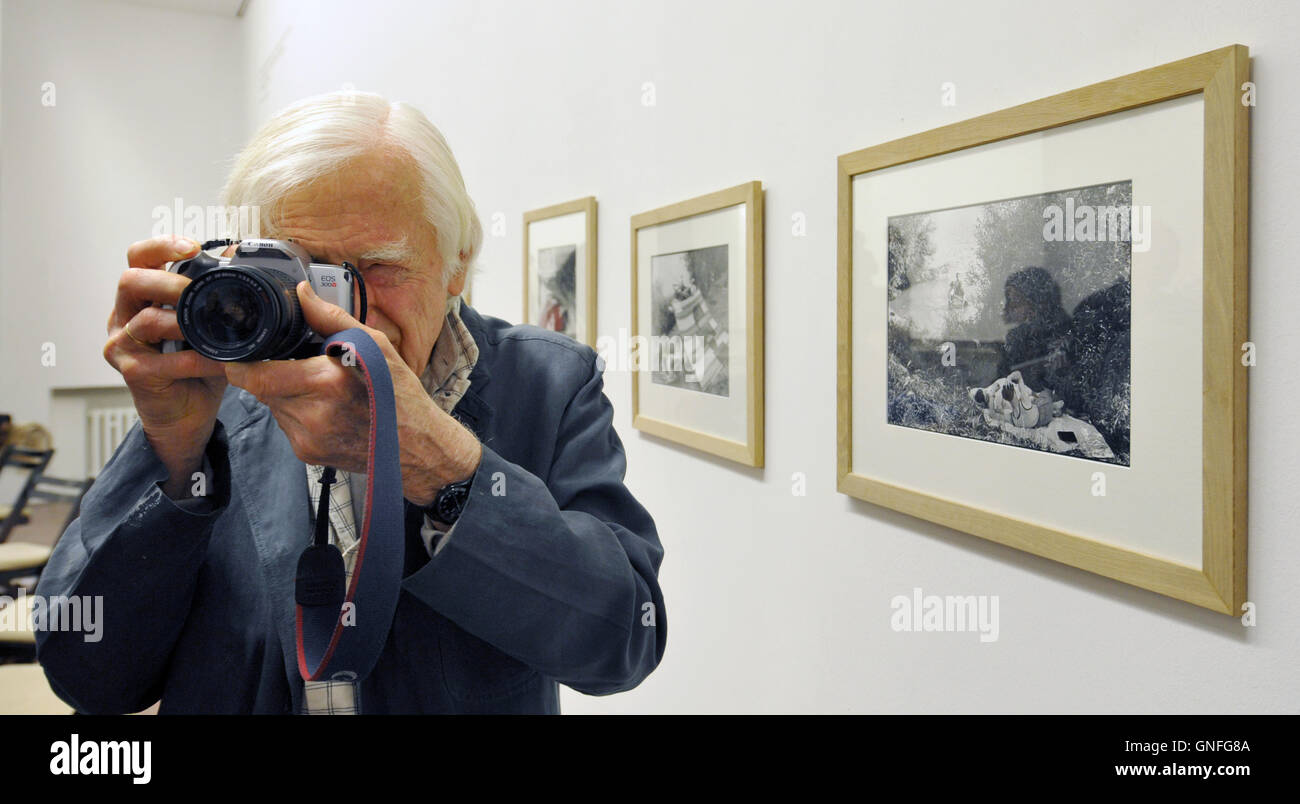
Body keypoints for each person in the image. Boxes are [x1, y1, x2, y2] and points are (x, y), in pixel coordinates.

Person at [34, 91, 667, 714]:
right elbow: (87, 678)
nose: (341, 309)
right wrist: (172, 454)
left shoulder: (548, 382)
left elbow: (622, 643)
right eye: (301, 269)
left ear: (457, 264)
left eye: (380, 266)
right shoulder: (213, 379)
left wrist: (438, 466)